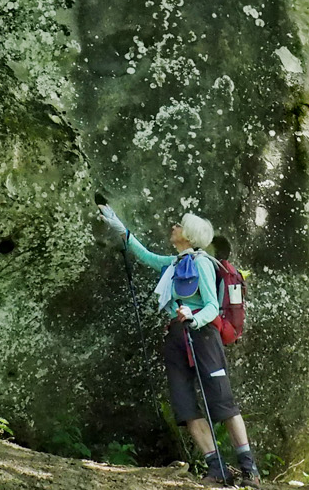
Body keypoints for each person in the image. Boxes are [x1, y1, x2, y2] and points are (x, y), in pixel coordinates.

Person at [99, 203, 259, 486]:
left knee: (223, 404)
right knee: (185, 408)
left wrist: (193, 318)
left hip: (202, 336)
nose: (173, 227)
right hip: (176, 336)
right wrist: (120, 228)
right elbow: (146, 256)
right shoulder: (174, 263)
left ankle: (250, 470)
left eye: (178, 225)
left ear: (189, 235)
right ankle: (216, 468)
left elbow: (211, 305)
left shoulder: (202, 263)